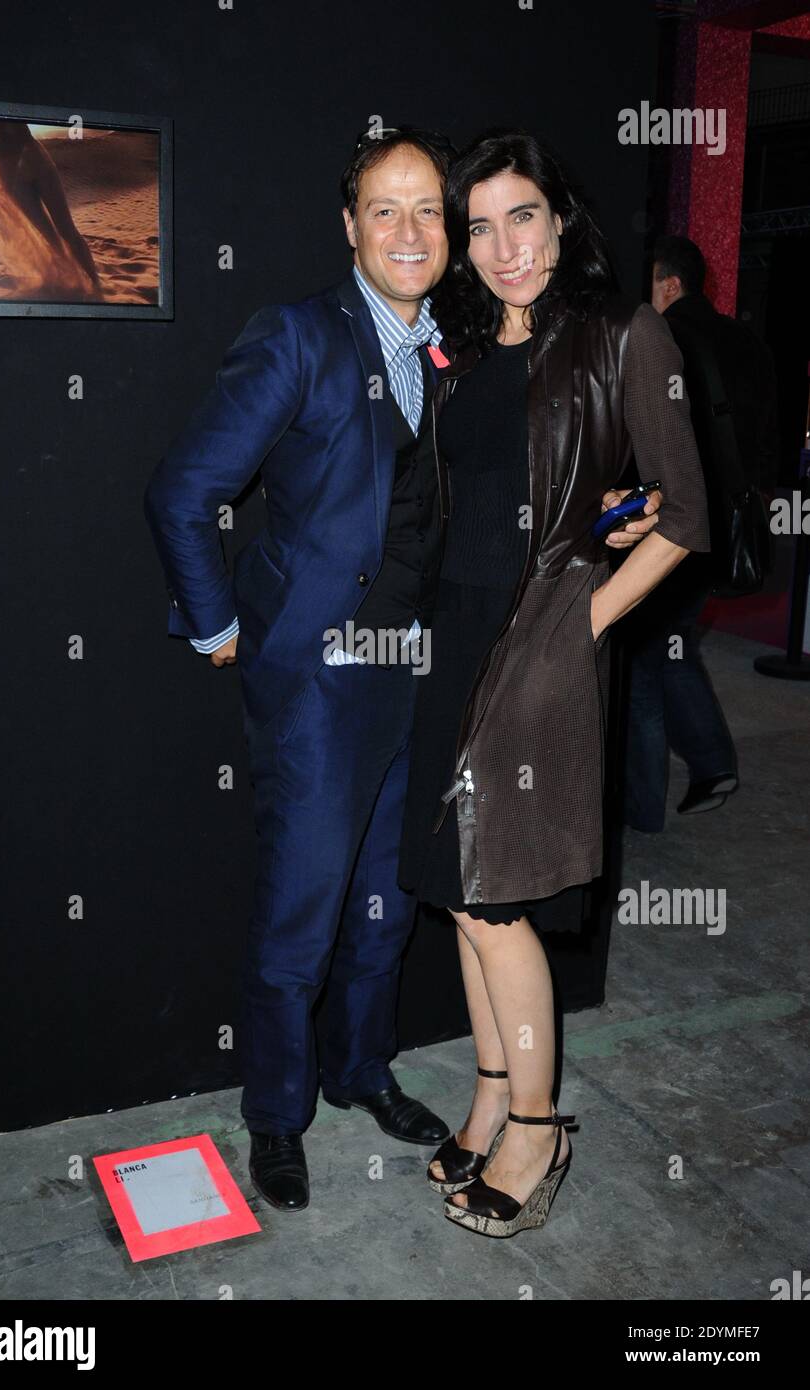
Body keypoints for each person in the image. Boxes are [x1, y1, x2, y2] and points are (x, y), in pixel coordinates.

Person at [144, 126, 660, 1216]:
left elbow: (497, 487)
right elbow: (182, 491)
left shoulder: (459, 348)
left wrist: (604, 518)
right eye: (386, 209)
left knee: (387, 906)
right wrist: (216, 625)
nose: (412, 230)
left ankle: (360, 1070)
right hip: (324, 681)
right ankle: (276, 1114)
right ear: (350, 228)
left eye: (432, 209)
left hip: (433, 675)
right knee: (303, 910)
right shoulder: (295, 336)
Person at [397, 129, 710, 1239]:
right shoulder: (475, 350)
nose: (499, 246)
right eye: (476, 226)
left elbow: (684, 515)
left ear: (560, 219)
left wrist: (584, 619)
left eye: (518, 216)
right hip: (458, 636)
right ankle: (489, 1095)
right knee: (464, 897)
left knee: (495, 901)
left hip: (539, 640)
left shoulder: (622, 336)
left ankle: (537, 1122)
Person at [621, 233, 779, 828]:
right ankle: (713, 763)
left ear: (668, 284)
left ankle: (639, 811)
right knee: (672, 647)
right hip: (729, 525)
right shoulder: (750, 341)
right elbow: (769, 440)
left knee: (642, 660)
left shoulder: (665, 338)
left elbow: (655, 446)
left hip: (679, 527)